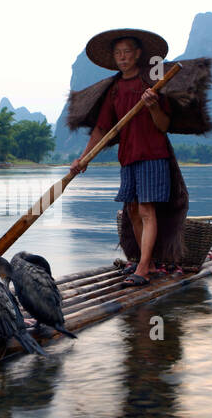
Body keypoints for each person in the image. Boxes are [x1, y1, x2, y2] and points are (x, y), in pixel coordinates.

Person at [71, 29, 176, 286]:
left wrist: (152, 106)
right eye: (118, 53)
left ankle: (142, 267)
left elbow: (163, 125)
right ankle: (147, 262)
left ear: (138, 53)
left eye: (127, 52)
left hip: (152, 154)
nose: (123, 57)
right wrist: (83, 158)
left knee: (146, 209)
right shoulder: (115, 89)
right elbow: (101, 128)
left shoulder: (151, 83)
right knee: (132, 210)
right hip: (127, 156)